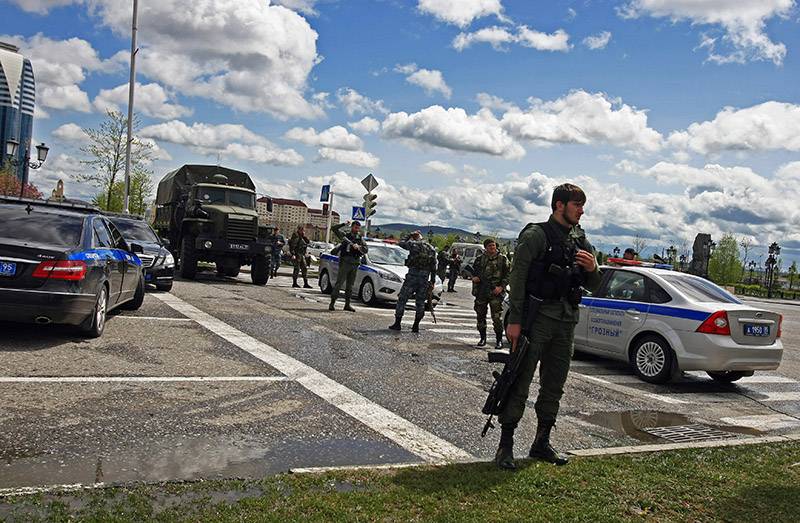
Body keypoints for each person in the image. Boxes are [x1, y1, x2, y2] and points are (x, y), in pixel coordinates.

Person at [496, 183, 602, 470]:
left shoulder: (580, 239)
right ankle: (505, 445)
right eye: (577, 205)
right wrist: (515, 321)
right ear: (559, 205)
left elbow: (595, 282)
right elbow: (517, 280)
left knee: (554, 385)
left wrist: (593, 267)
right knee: (519, 380)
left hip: (566, 320)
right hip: (536, 318)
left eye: (582, 205)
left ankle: (541, 442)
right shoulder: (536, 236)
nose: (581, 210)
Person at [388, 231, 437, 333]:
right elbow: (434, 266)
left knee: (402, 299)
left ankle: (397, 323)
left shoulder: (414, 244)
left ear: (416, 238)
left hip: (412, 277)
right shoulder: (432, 249)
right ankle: (416, 325)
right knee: (420, 303)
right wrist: (432, 281)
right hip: (424, 279)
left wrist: (409, 235)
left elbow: (401, 243)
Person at [472, 239, 510, 349]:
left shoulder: (502, 259)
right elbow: (474, 273)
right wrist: (474, 278)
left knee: (497, 318)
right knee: (480, 316)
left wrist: (501, 287)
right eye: (490, 246)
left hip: (496, 293)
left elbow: (508, 275)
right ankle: (482, 338)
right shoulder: (479, 259)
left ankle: (499, 340)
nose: (493, 247)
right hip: (482, 292)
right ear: (485, 247)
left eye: (493, 245)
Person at [329, 221, 368, 312]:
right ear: (352, 227)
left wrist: (359, 247)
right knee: (339, 283)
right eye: (355, 227)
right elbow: (334, 228)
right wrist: (344, 224)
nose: (357, 229)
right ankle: (332, 303)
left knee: (350, 286)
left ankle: (347, 304)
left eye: (358, 228)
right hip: (345, 262)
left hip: (355, 263)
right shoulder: (345, 236)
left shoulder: (360, 238)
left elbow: (366, 249)